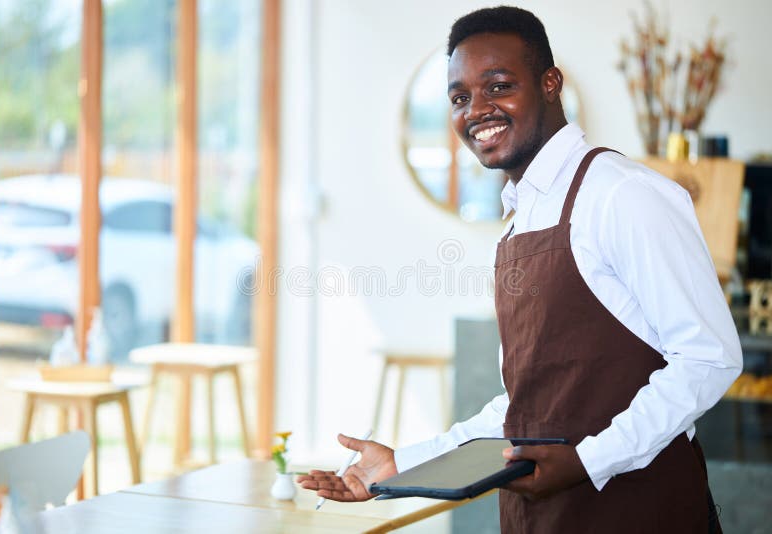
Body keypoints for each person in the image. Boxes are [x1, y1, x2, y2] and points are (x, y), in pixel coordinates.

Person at [298, 6, 741, 533]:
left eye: (499, 86)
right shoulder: (515, 228)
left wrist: (588, 461)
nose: (477, 110)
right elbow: (524, 405)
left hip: (640, 512)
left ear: (550, 83)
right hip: (542, 518)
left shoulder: (623, 194)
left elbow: (709, 358)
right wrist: (404, 465)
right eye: (460, 98)